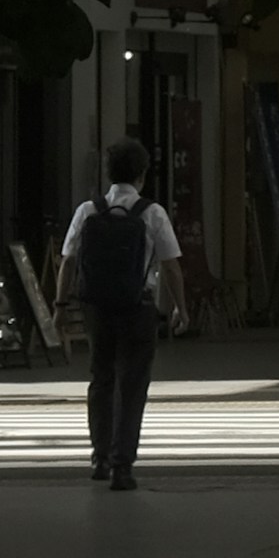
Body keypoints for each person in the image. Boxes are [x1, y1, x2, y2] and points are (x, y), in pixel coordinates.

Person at [58, 139, 182, 486]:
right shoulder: (152, 213)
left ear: (107, 173)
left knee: (101, 379)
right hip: (138, 306)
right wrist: (180, 309)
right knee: (132, 385)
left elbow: (67, 263)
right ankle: (122, 466)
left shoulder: (88, 211)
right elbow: (172, 267)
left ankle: (99, 459)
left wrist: (60, 307)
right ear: (143, 173)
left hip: (96, 307)